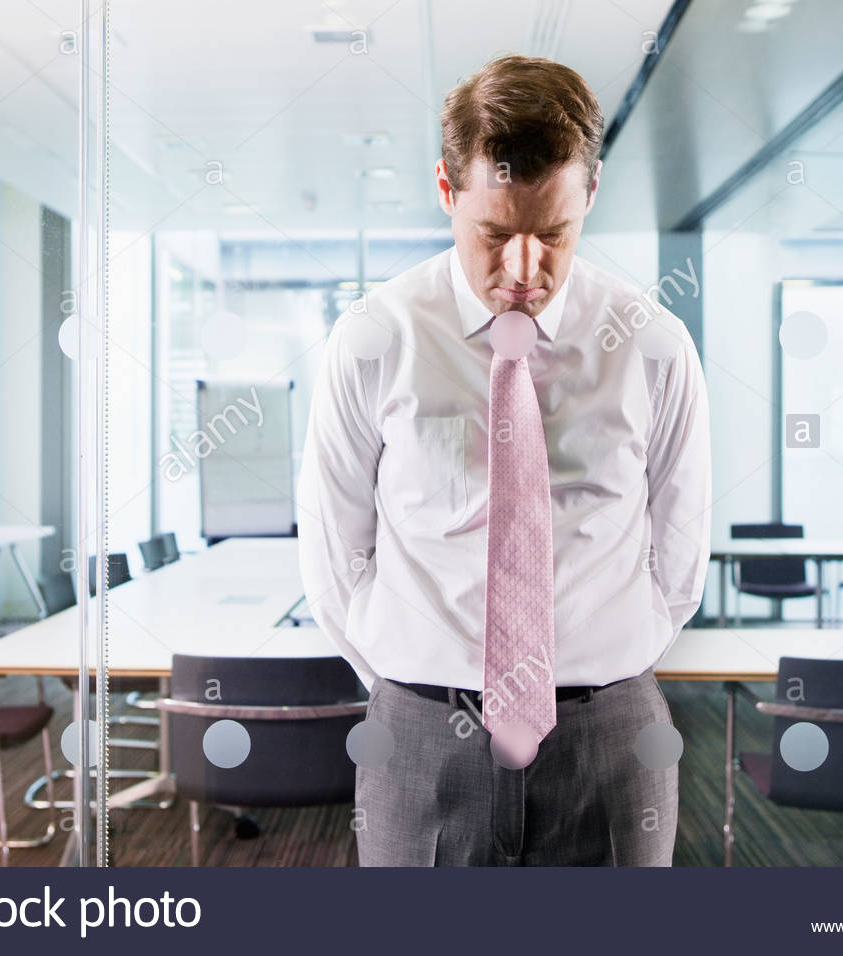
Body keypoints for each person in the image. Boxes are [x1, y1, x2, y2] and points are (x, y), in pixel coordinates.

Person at [296, 54, 711, 866]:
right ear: (447, 192)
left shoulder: (653, 345)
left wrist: (603, 673)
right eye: (496, 233)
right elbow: (335, 553)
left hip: (610, 740)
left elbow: (680, 551)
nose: (525, 269)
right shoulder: (378, 340)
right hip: (419, 737)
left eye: (552, 233)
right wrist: (413, 685)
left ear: (590, 194)